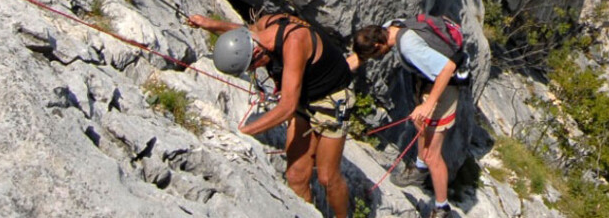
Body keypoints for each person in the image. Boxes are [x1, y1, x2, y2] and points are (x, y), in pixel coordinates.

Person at [187, 12, 358, 217]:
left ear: (257, 52)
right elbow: (241, 32)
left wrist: (242, 132)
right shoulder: (262, 28)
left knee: (327, 177)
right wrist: (208, 23)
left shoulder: (294, 41)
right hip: (304, 98)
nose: (256, 70)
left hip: (331, 100)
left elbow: (287, 107)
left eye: (253, 66)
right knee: (295, 176)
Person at [352, 16, 469, 214]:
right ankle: (420, 167)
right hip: (428, 81)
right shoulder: (390, 26)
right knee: (419, 123)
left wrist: (429, 104)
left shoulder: (407, 46)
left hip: (445, 87)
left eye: (376, 54)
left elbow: (446, 69)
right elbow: (362, 53)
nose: (378, 58)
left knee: (433, 154)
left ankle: (442, 207)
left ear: (379, 43)